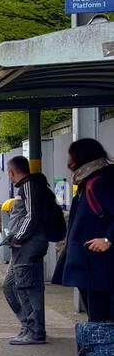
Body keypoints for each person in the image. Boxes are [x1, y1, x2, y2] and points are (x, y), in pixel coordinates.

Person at [60, 138, 114, 322]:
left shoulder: (100, 182)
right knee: (98, 317)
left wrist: (108, 240)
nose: (69, 162)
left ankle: (103, 351)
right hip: (89, 264)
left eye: (71, 156)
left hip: (100, 266)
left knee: (102, 318)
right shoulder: (88, 182)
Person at [2, 155, 51, 345]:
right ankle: (27, 325)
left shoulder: (29, 186)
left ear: (12, 171)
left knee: (27, 288)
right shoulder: (29, 186)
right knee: (11, 286)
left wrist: (17, 237)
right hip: (23, 247)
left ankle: (35, 330)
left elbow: (32, 216)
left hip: (28, 246)